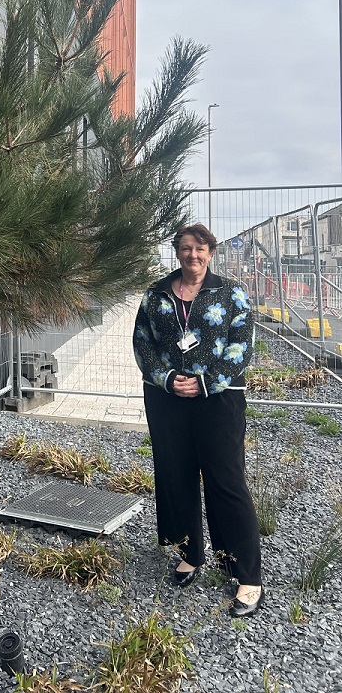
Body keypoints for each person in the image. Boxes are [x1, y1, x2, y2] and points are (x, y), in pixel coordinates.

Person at [132, 223, 263, 618]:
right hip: (167, 400)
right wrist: (168, 379)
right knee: (176, 475)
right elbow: (143, 342)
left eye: (201, 249)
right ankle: (191, 552)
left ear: (211, 253)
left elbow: (243, 345)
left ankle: (247, 574)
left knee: (226, 481)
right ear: (177, 252)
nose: (194, 255)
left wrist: (207, 382)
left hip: (219, 401)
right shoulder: (155, 295)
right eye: (187, 248)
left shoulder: (232, 292)